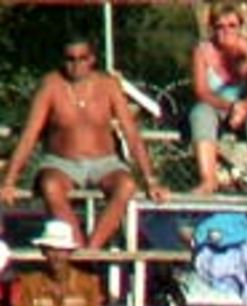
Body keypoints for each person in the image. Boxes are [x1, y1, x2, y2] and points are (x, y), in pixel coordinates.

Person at [0, 36, 167, 250]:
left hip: (105, 162)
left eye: (82, 58)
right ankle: (79, 250)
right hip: (61, 162)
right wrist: (10, 180)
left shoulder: (108, 85)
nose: (76, 65)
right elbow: (29, 134)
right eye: (70, 59)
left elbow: (132, 134)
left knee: (126, 185)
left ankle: (90, 251)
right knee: (50, 186)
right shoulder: (51, 85)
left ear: (92, 59)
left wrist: (150, 179)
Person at [190, 2, 247, 195]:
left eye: (231, 25)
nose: (225, 31)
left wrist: (243, 107)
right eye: (219, 26)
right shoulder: (202, 51)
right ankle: (208, 179)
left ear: (240, 26)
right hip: (214, 106)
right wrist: (230, 106)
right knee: (200, 113)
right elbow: (202, 91)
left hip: (243, 110)